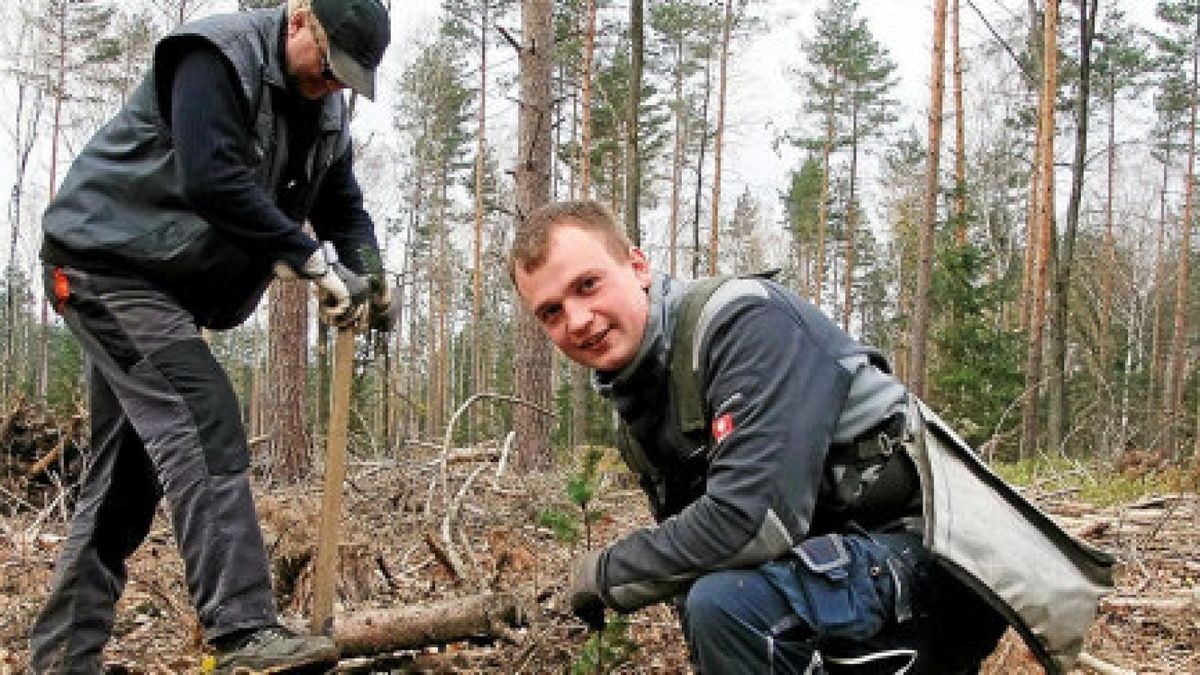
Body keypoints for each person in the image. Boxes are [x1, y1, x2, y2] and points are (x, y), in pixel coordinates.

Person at [31, 0, 393, 671]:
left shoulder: (325, 115)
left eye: (347, 78)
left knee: (124, 489)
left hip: (165, 290)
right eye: (329, 67)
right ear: (298, 19)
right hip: (104, 265)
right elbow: (212, 178)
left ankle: (60, 661)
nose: (332, 85)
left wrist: (371, 276)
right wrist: (314, 262)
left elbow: (344, 207)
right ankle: (242, 629)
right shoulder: (216, 55)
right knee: (203, 417)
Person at [509, 200, 1008, 673]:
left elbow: (752, 521)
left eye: (588, 285)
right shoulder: (644, 405)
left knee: (726, 603)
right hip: (843, 574)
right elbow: (695, 554)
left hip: (942, 569)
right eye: (551, 312)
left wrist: (605, 574)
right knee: (709, 592)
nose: (577, 320)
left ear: (638, 266)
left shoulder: (743, 324)